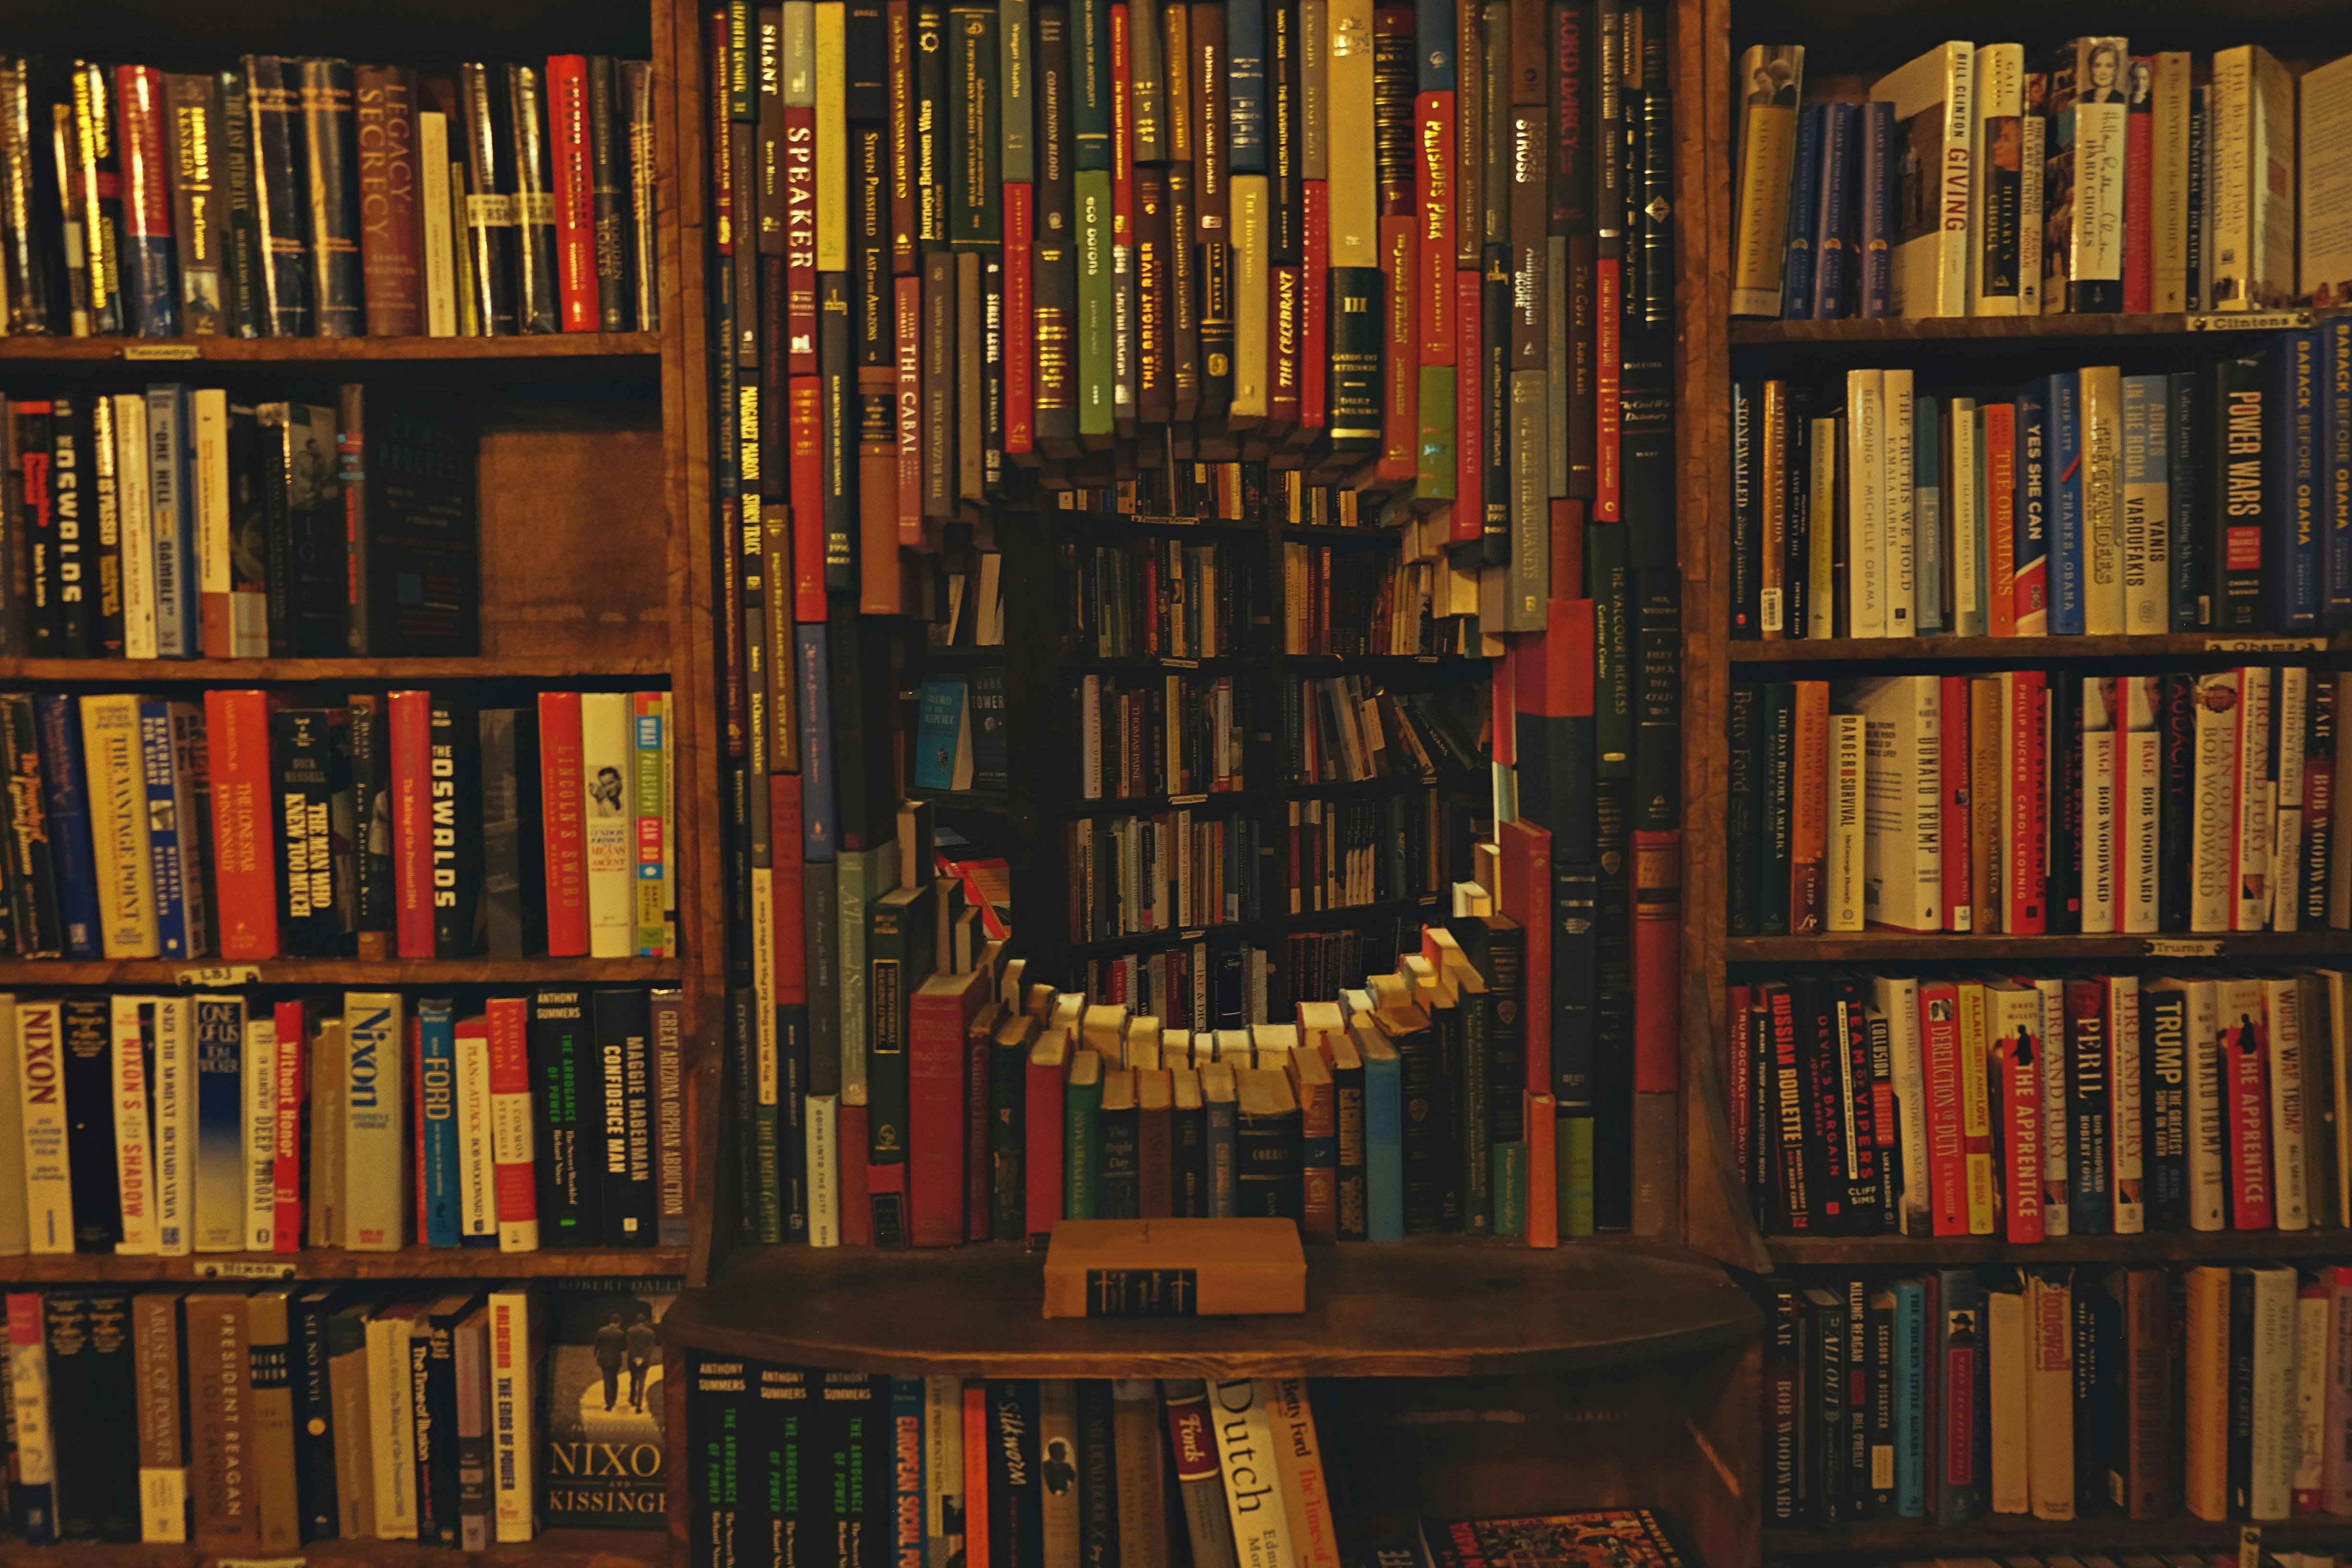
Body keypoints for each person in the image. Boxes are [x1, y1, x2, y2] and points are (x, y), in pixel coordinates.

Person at [625, 1308, 658, 1411]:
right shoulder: (650, 1333)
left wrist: (635, 1357)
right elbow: (650, 1348)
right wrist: (643, 1358)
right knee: (642, 1382)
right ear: (645, 1321)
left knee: (633, 1379)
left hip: (633, 1359)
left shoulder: (630, 1331)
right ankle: (639, 1405)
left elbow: (630, 1346)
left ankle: (632, 1398)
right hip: (645, 1360)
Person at [595, 1310, 627, 1411]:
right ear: (618, 1322)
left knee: (607, 1381)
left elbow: (597, 1345)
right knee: (614, 1379)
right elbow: (624, 1348)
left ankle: (609, 1403)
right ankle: (613, 1400)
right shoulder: (621, 1333)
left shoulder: (602, 1331)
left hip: (604, 1359)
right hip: (616, 1360)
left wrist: (596, 1355)